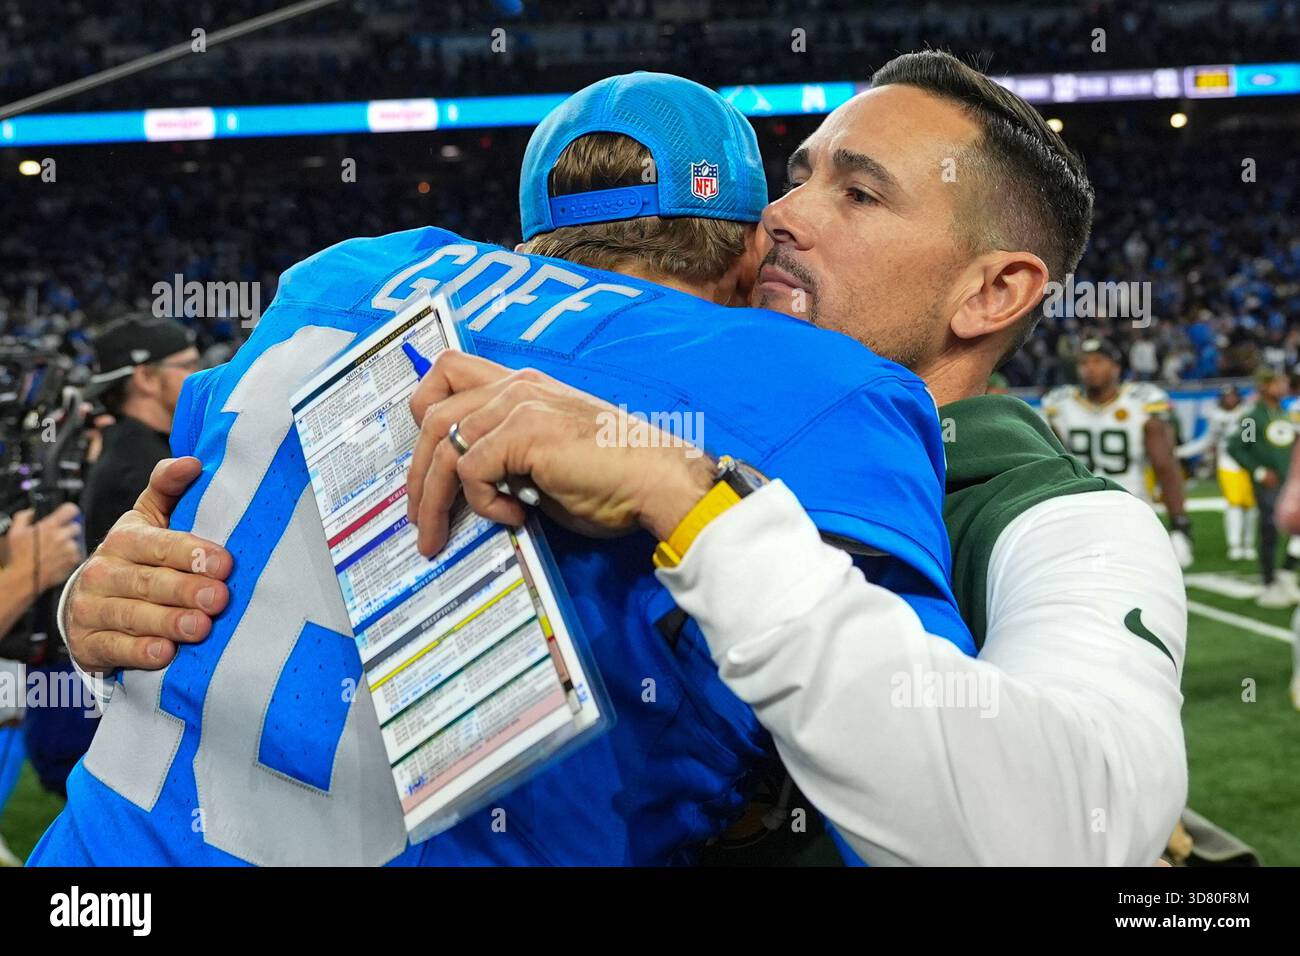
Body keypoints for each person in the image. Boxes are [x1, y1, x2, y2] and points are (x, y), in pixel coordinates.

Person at [58, 53, 1188, 866]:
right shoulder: (776, 389)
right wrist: (112, 600)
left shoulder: (1069, 522)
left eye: (855, 191)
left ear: (995, 289)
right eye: (793, 173)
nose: (787, 214)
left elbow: (1062, 837)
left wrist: (689, 495)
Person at [1043, 338, 1193, 568]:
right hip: (1080, 511)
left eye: (1098, 361)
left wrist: (1179, 520)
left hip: (1130, 508)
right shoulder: (1060, 404)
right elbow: (1052, 466)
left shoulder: (1141, 401)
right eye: (1084, 363)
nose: (1090, 368)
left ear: (1115, 367)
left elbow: (1165, 465)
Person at [81, 314, 202, 549]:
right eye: (188, 366)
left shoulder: (135, 445)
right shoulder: (140, 467)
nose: (200, 375)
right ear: (146, 378)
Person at [1177, 383, 1256, 562]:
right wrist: (1181, 451)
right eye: (1226, 396)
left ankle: (1248, 544)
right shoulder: (1216, 416)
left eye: (1232, 396)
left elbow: (1250, 442)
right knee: (1234, 503)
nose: (1229, 400)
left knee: (1249, 505)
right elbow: (1207, 441)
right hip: (1228, 463)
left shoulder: (1247, 415)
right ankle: (1235, 545)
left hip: (1247, 464)